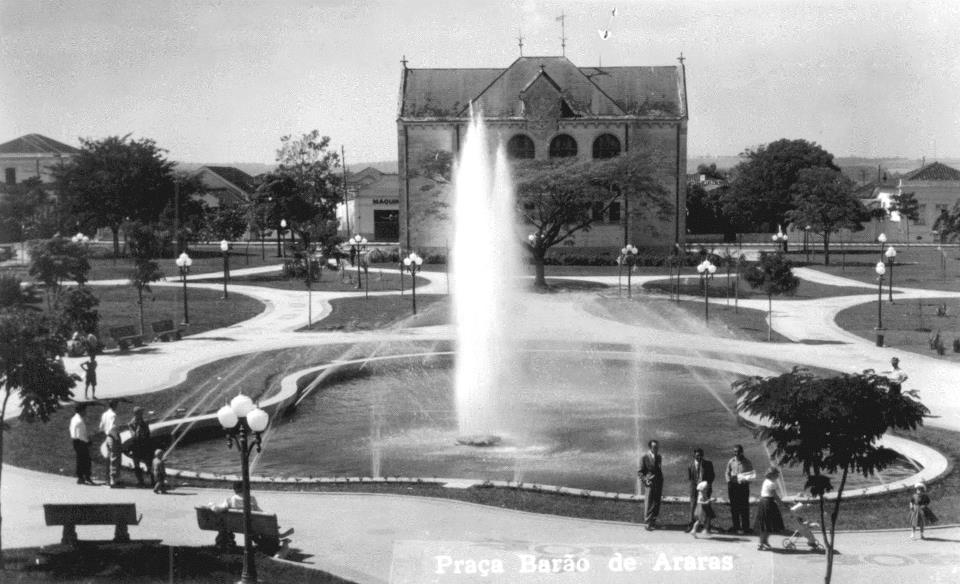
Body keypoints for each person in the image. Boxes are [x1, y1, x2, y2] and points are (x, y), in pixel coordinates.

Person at [753, 467, 785, 550]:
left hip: (764, 502)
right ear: (772, 475)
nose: (778, 476)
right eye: (776, 474)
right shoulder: (771, 483)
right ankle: (761, 543)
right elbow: (775, 496)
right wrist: (782, 504)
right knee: (766, 525)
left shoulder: (766, 481)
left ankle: (764, 541)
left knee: (768, 525)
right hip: (768, 503)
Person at [725, 444, 754, 533]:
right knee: (734, 507)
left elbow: (752, 475)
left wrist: (746, 480)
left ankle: (745, 527)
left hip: (743, 487)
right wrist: (729, 481)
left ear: (741, 452)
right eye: (734, 452)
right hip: (733, 487)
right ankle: (736, 526)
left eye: (737, 452)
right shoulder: (731, 461)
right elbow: (727, 472)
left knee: (744, 507)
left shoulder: (747, 462)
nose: (736, 454)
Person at [638, 440, 664, 531]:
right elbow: (640, 472)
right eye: (654, 447)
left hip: (658, 482)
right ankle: (647, 522)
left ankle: (653, 521)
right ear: (650, 448)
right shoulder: (644, 457)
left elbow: (659, 470)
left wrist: (661, 480)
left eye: (657, 447)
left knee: (657, 502)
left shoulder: (659, 457)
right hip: (650, 483)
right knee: (649, 503)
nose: (657, 449)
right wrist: (645, 480)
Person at [687, 448, 715, 529]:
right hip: (694, 488)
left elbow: (712, 476)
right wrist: (694, 486)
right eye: (697, 456)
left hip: (705, 488)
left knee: (706, 506)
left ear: (703, 456)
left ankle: (706, 525)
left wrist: (707, 485)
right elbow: (690, 478)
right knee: (693, 505)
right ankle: (691, 524)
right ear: (694, 456)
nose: (699, 457)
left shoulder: (708, 464)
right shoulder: (690, 465)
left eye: (701, 456)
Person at [128, 407, 154, 487]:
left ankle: (153, 480)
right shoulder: (131, 424)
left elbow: (148, 434)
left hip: (144, 445)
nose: (142, 415)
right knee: (136, 464)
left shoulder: (144, 422)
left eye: (142, 413)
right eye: (140, 413)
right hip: (136, 445)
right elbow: (134, 435)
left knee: (148, 463)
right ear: (136, 414)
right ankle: (140, 481)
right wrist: (138, 428)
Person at [69, 404, 93, 485]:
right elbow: (81, 435)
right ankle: (86, 476)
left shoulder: (73, 419)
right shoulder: (79, 420)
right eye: (85, 410)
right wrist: (88, 441)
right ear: (81, 411)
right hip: (81, 442)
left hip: (75, 441)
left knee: (80, 459)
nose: (86, 412)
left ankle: (81, 477)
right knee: (86, 460)